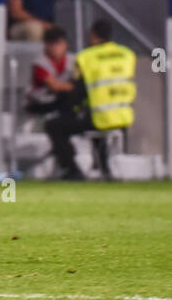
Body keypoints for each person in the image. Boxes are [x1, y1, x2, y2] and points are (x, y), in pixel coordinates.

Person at [45, 20, 136, 180]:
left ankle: (72, 169)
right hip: (124, 117)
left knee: (54, 126)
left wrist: (65, 109)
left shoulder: (87, 57)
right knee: (91, 117)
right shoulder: (126, 54)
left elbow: (78, 92)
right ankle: (104, 168)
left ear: (93, 36)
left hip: (100, 117)